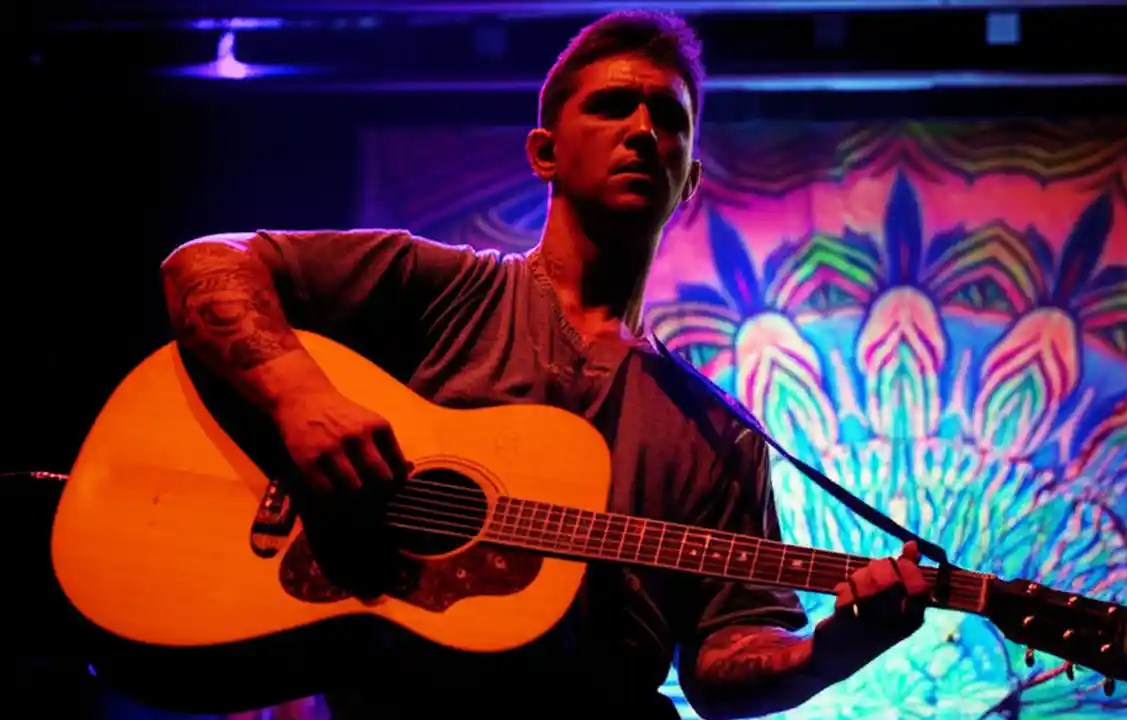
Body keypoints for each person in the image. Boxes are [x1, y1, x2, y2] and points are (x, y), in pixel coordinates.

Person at [159, 10, 928, 720]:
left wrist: (831, 655)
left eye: (669, 118)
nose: (642, 132)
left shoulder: (719, 432)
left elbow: (722, 660)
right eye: (611, 108)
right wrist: (298, 396)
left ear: (689, 179)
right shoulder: (444, 289)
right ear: (544, 153)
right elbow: (206, 264)